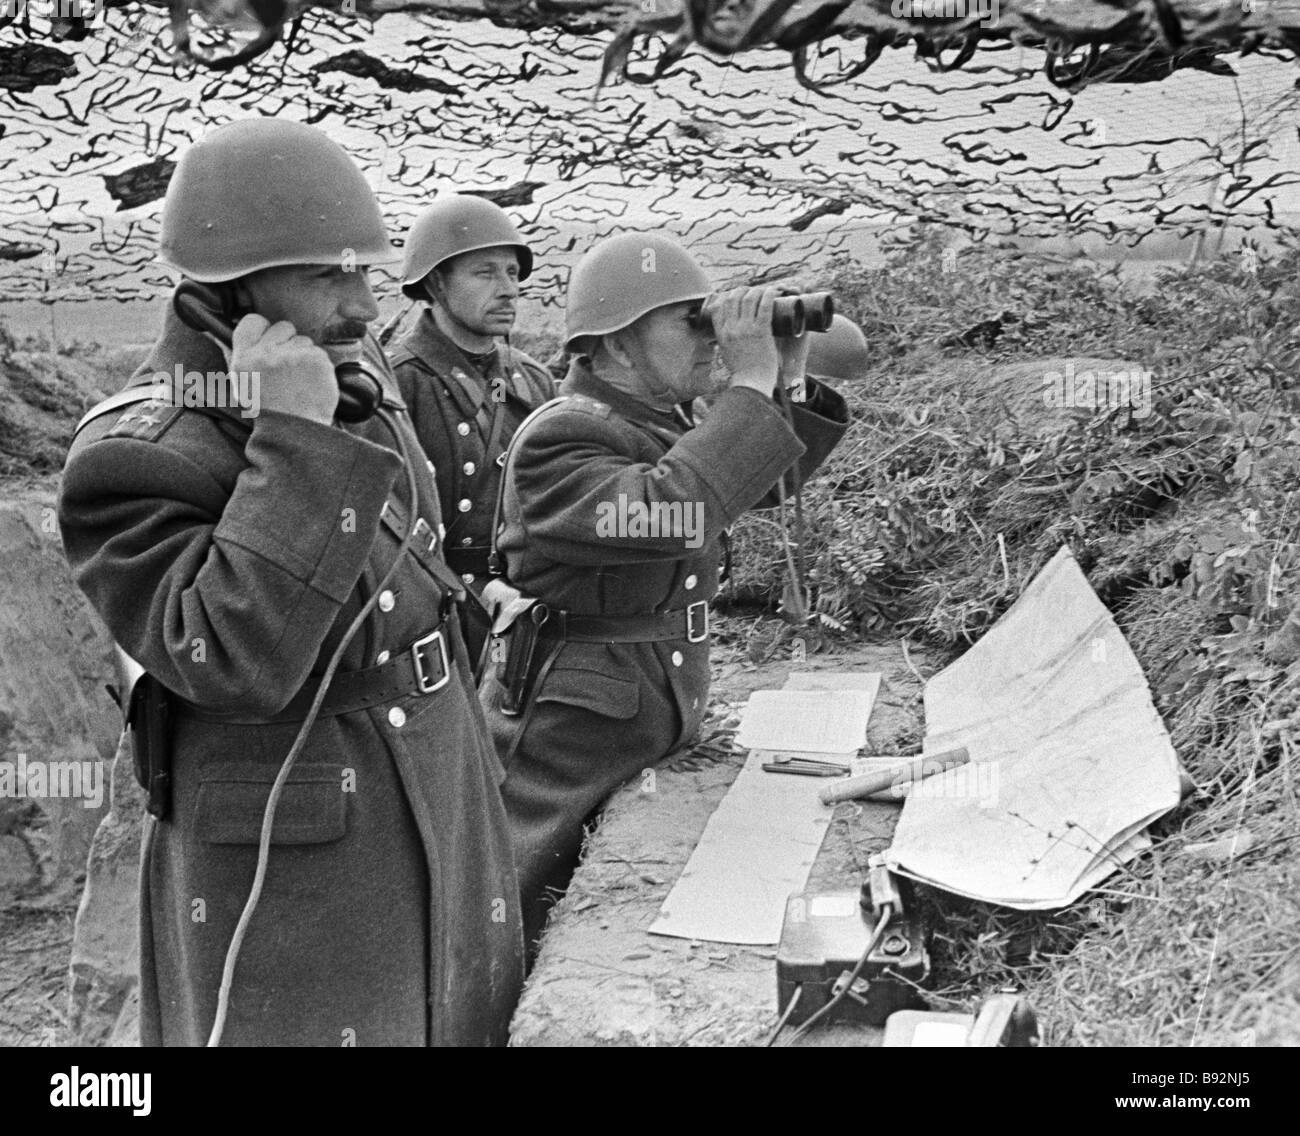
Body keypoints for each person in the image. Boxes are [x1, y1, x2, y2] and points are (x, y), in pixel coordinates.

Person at [58, 120, 523, 1046]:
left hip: (439, 780)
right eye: (324, 276)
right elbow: (230, 658)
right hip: (301, 853)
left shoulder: (350, 374)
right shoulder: (138, 454)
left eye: (363, 273)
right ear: (227, 293)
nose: (363, 306)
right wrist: (296, 440)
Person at [480, 232, 850, 951]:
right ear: (618, 346)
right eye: (691, 322)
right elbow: (676, 509)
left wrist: (785, 380)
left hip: (641, 716)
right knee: (520, 915)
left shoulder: (654, 419)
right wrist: (747, 384)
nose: (710, 337)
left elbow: (749, 482)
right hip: (565, 746)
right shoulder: (562, 436)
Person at [390, 196, 555, 664]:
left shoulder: (533, 380)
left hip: (527, 614)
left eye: (512, 273)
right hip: (435, 621)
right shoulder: (399, 383)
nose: (508, 290)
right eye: (485, 273)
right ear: (436, 283)